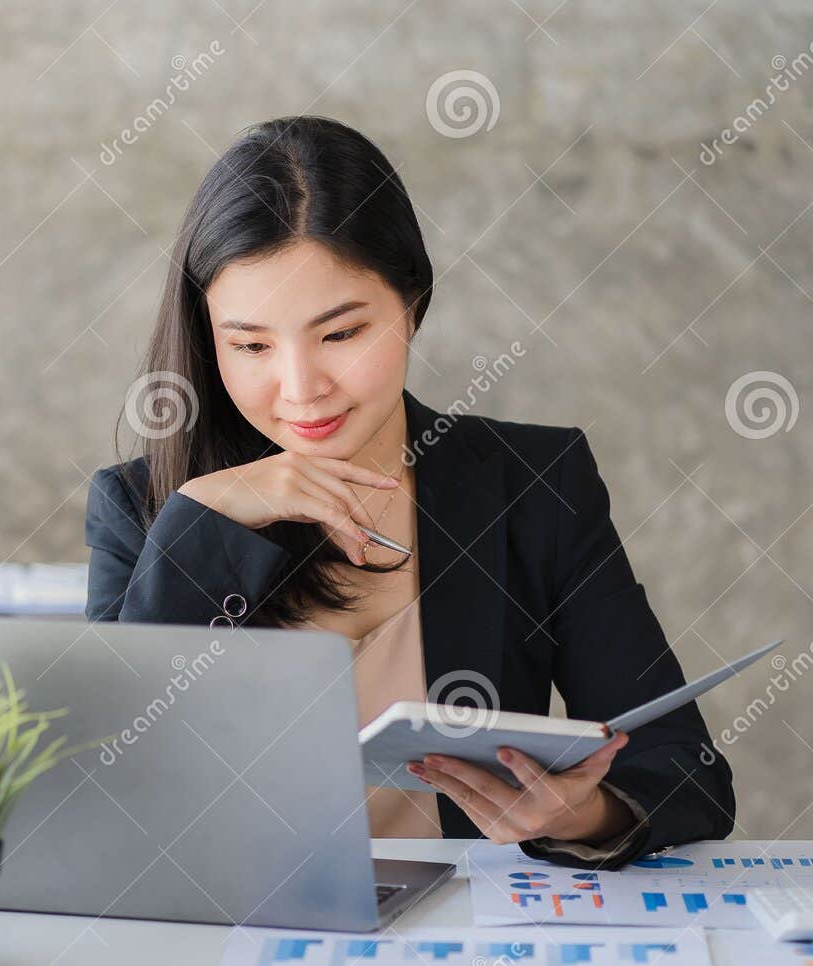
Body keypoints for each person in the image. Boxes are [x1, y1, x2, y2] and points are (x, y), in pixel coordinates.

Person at [83, 116, 733, 869]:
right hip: (232, 939)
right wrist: (203, 522)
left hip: (468, 943)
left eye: (341, 334)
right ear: (209, 338)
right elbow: (104, 792)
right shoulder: (146, 508)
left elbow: (690, 770)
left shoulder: (533, 481)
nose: (300, 389)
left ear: (413, 301)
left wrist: (583, 811)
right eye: (252, 344)